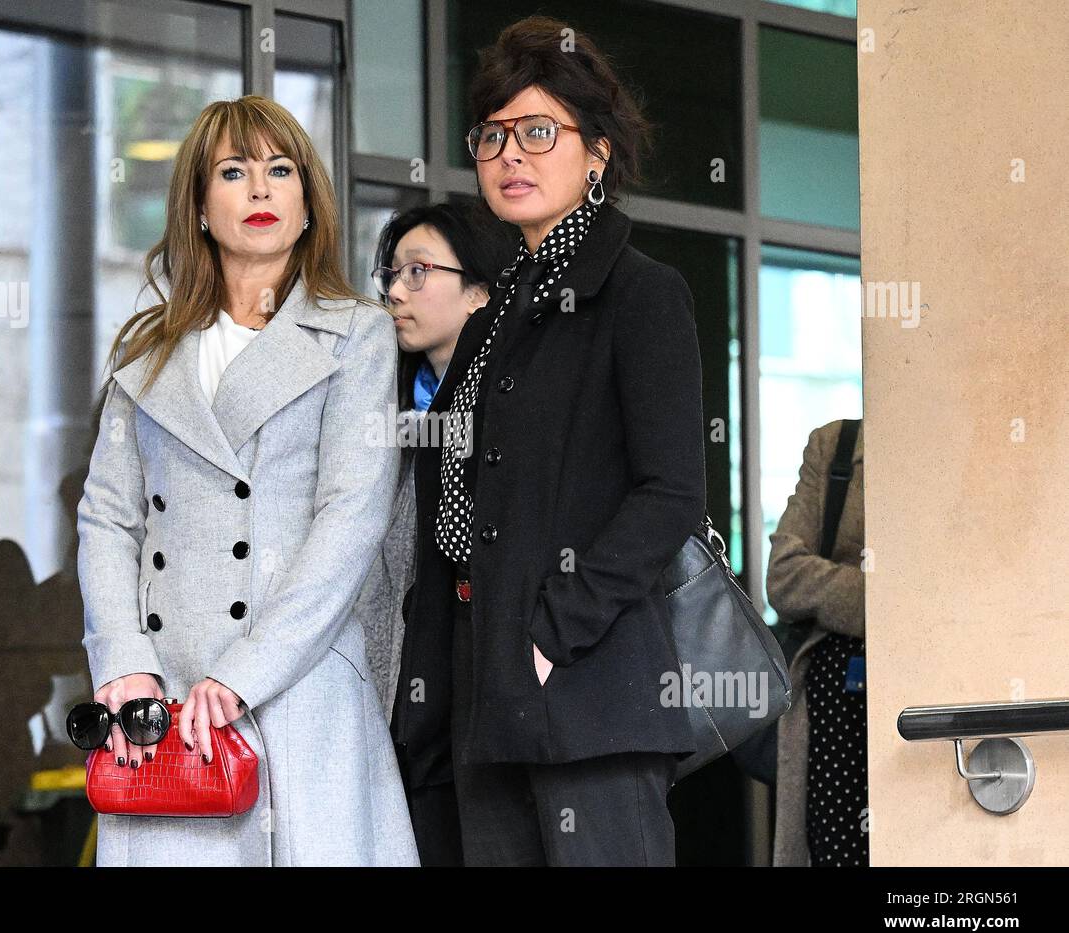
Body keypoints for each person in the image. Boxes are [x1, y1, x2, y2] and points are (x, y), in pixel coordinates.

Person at [391, 16, 707, 866]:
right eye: (492, 136)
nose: (510, 156)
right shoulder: (495, 317)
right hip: (478, 692)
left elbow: (671, 494)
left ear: (595, 153)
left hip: (585, 692)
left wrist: (549, 636)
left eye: (539, 132)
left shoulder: (639, 295)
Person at [76, 94, 419, 866]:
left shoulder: (355, 332)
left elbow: (352, 517)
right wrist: (126, 664)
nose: (260, 189)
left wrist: (241, 675)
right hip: (163, 710)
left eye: (279, 170)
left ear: (307, 205)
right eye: (233, 172)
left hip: (296, 685)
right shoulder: (147, 354)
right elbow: (107, 520)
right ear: (200, 207)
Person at [354, 202, 516, 866]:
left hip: (487, 708)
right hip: (396, 713)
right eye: (390, 274)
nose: (395, 291)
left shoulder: (509, 409)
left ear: (480, 290)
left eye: (419, 273)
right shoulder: (382, 410)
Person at [768, 419, 867, 866]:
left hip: (935, 693)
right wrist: (889, 602)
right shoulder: (836, 446)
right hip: (837, 710)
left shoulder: (967, 442)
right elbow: (785, 576)